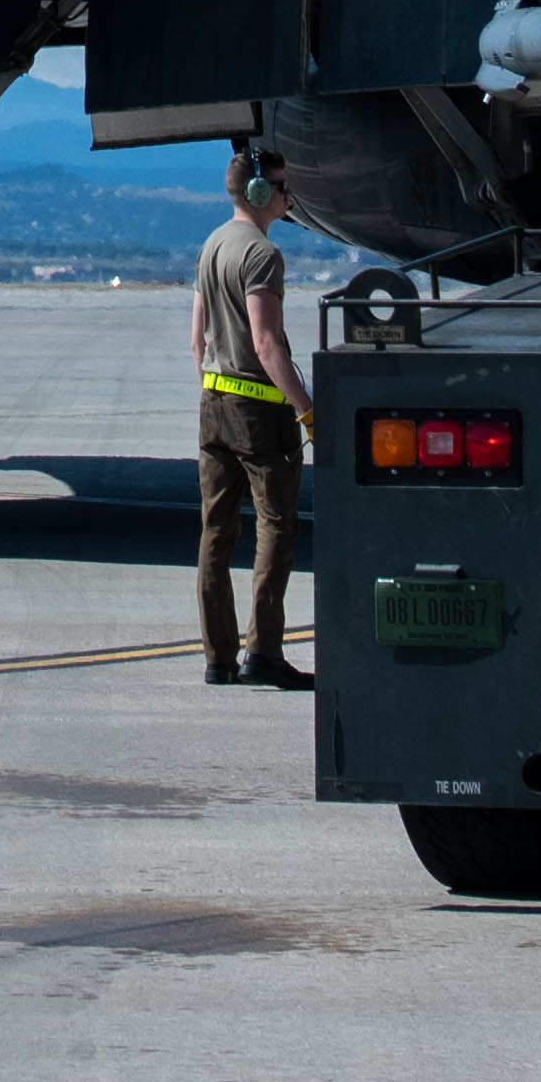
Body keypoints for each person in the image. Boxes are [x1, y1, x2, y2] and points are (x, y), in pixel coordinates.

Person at [192, 152, 312, 690]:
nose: (289, 196)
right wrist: (307, 410)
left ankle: (218, 658)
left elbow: (196, 341)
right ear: (262, 193)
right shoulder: (261, 254)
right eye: (283, 187)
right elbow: (267, 345)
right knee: (276, 529)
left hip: (213, 403)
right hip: (259, 411)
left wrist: (215, 383)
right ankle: (263, 652)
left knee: (216, 533)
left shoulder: (212, 244)